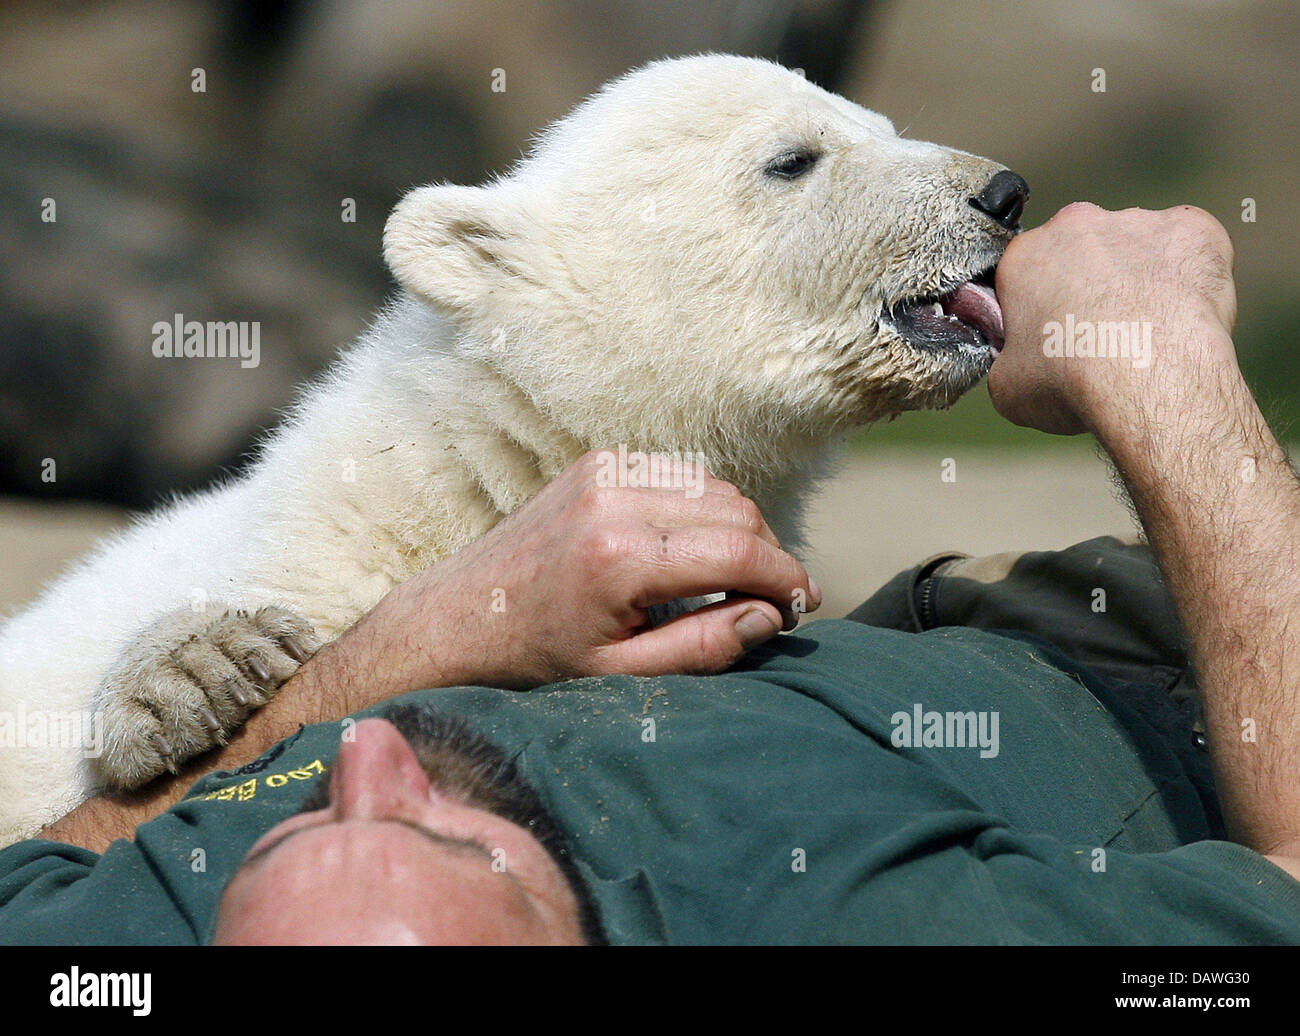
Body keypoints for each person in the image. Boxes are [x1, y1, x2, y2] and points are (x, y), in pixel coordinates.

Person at [3, 201, 1299, 944]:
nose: (366, 756)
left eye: (288, 832)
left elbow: (51, 874)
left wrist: (424, 639)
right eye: (456, 846)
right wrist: (1153, 352)